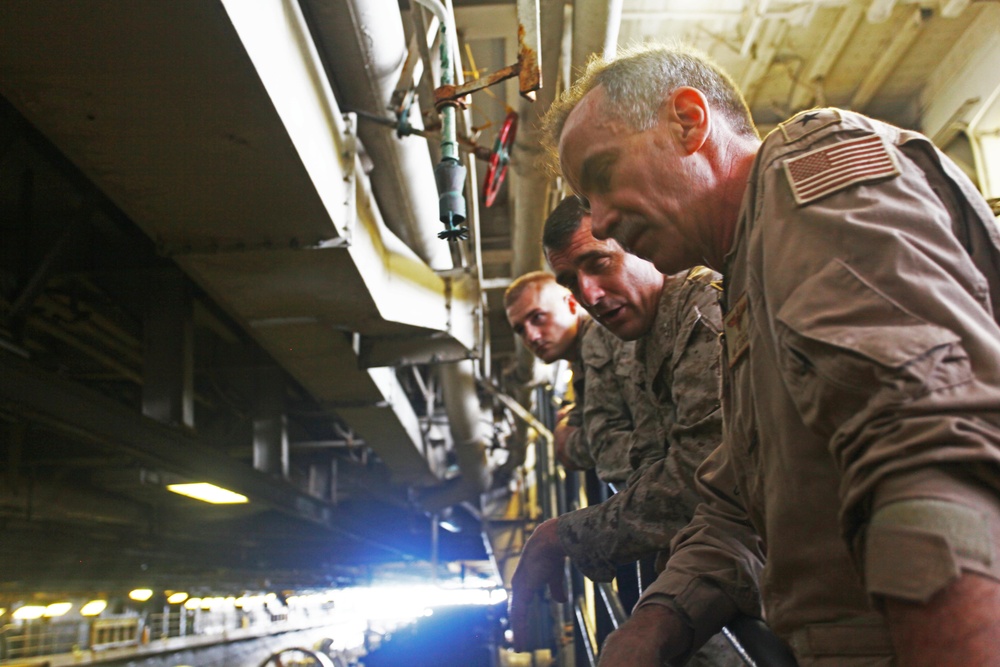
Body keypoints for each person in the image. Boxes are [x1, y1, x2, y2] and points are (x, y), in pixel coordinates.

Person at [545, 42, 1000, 666]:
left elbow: (926, 440)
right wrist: (657, 621)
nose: (595, 222)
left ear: (688, 121)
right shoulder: (747, 283)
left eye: (599, 176)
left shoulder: (805, 169)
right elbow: (739, 506)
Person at [510, 196, 742, 666]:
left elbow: (699, 478)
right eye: (572, 280)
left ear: (641, 244)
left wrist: (566, 533)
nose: (589, 296)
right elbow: (644, 460)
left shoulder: (696, 310)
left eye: (599, 264)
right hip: (711, 561)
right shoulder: (641, 332)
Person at [504, 271, 598, 473]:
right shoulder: (581, 360)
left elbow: (608, 447)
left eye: (538, 317)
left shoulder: (598, 342)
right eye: (520, 329)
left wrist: (564, 438)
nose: (531, 336)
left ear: (572, 304)